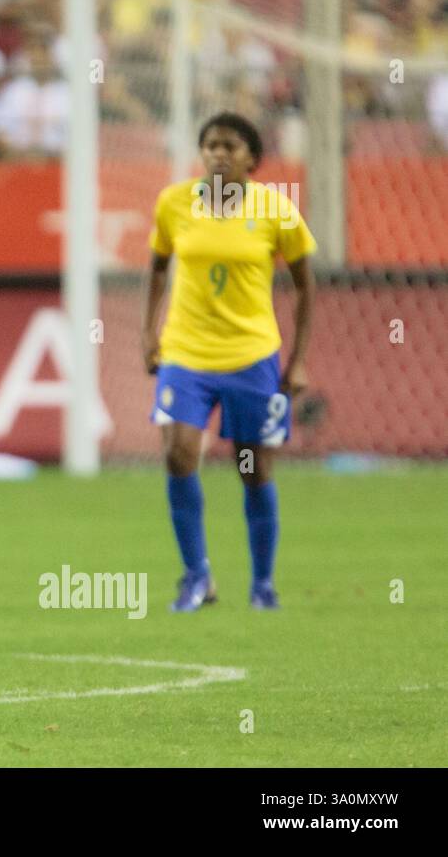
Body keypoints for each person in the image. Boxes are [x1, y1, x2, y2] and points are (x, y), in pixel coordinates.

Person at [142, 112, 316, 612]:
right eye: (211, 144)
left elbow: (305, 287)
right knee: (178, 451)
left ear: (252, 159)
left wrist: (298, 361)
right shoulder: (174, 203)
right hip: (186, 353)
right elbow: (156, 269)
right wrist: (147, 333)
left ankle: (262, 584)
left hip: (252, 356)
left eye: (230, 146)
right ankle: (197, 578)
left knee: (253, 467)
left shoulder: (277, 212)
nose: (218, 153)